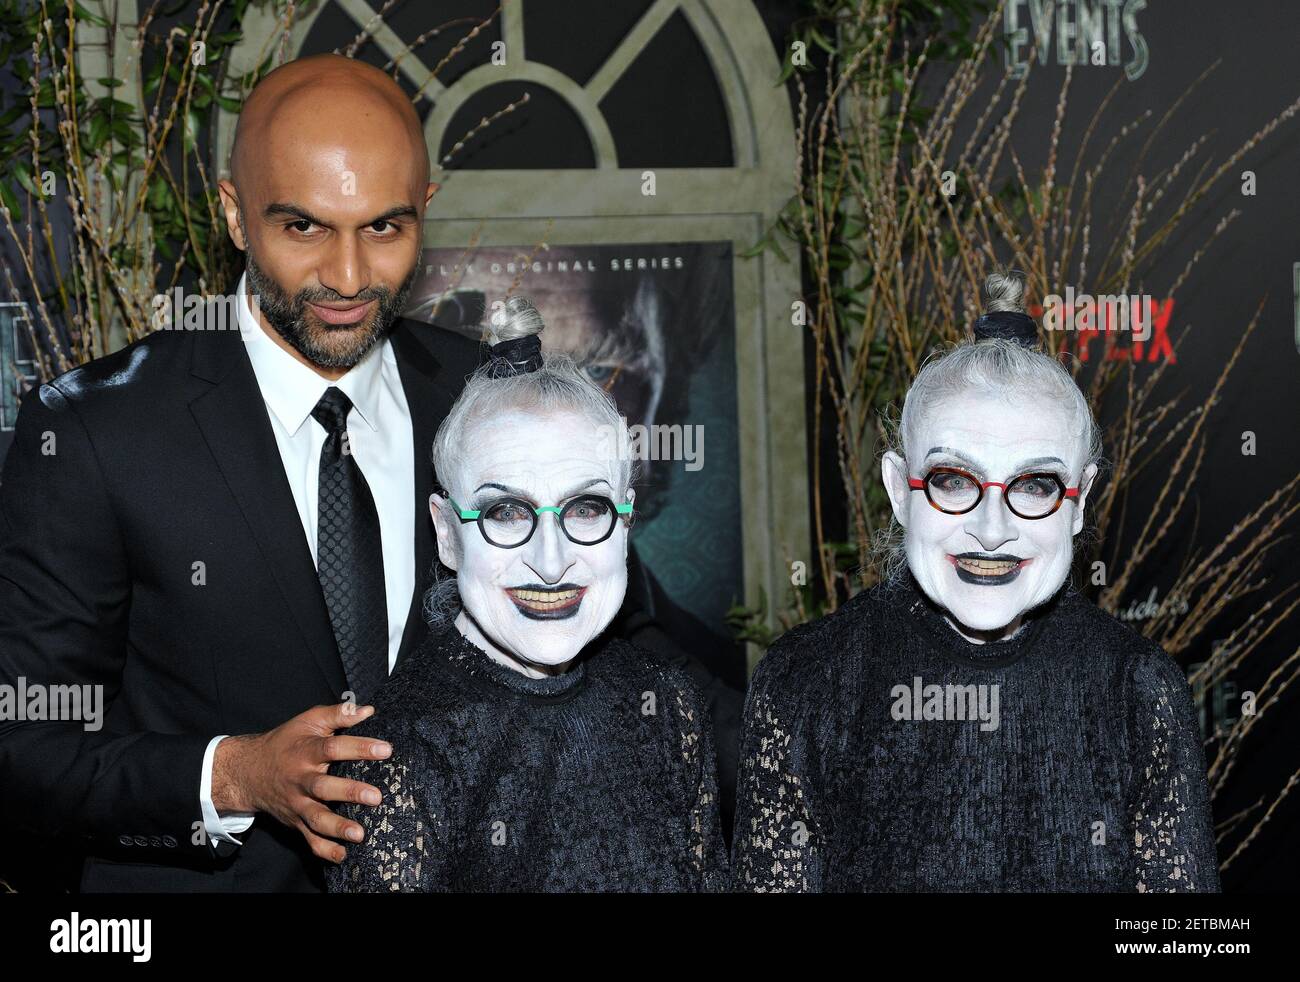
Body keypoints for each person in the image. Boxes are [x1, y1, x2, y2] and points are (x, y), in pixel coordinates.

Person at [731, 270, 1220, 893]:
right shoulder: (806, 682)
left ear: (1079, 500)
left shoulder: (1139, 692)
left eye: (1036, 485)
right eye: (954, 480)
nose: (992, 530)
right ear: (897, 491)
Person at [327, 297, 728, 892]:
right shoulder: (394, 753)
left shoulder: (668, 703)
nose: (550, 562)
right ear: (446, 534)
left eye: (586, 508)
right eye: (507, 512)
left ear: (626, 520)